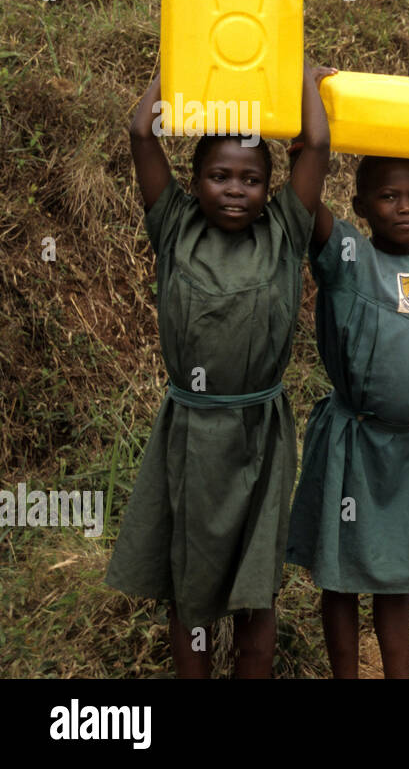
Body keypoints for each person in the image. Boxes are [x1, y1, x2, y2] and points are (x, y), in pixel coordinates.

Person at [106, 62, 330, 677]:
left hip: (262, 432)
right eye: (220, 176)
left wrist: (303, 78)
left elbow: (317, 144)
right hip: (194, 435)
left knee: (257, 596)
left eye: (252, 179)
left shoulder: (285, 230)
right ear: (195, 181)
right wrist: (175, 67)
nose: (236, 189)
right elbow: (140, 133)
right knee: (193, 592)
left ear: (269, 187)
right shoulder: (174, 227)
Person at [286, 66, 409, 678]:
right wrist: (308, 95)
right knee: (341, 578)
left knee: (398, 581)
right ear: (361, 204)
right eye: (389, 196)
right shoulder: (348, 255)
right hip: (355, 443)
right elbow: (305, 195)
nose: (407, 206)